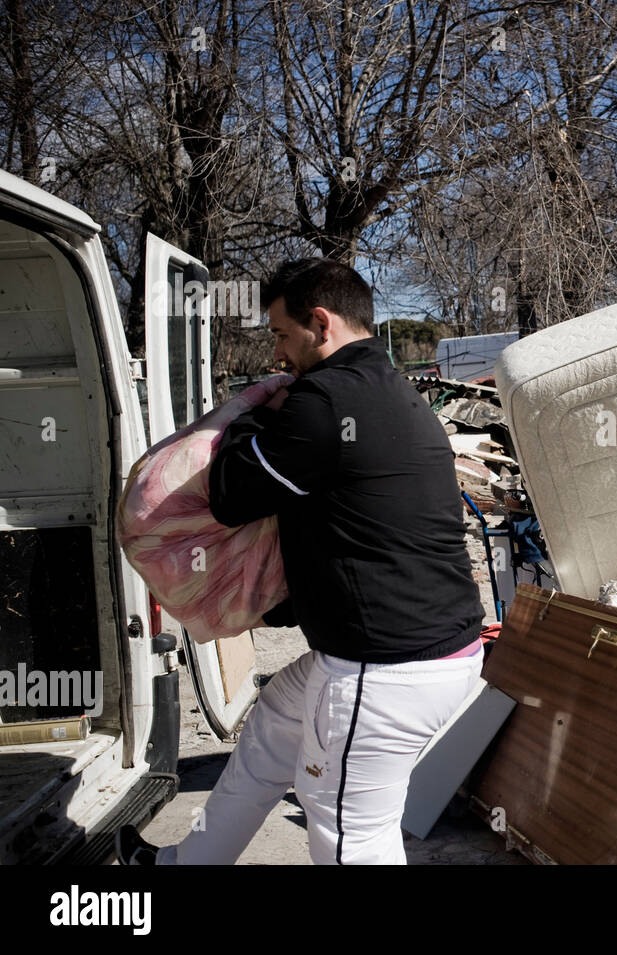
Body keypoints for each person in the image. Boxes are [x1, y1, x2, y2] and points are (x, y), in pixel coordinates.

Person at [116, 259, 485, 865]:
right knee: (273, 728)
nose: (280, 354)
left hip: (385, 670)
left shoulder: (324, 400)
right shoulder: (394, 390)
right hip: (428, 652)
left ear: (320, 323)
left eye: (282, 335)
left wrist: (252, 408)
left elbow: (232, 493)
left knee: (349, 836)